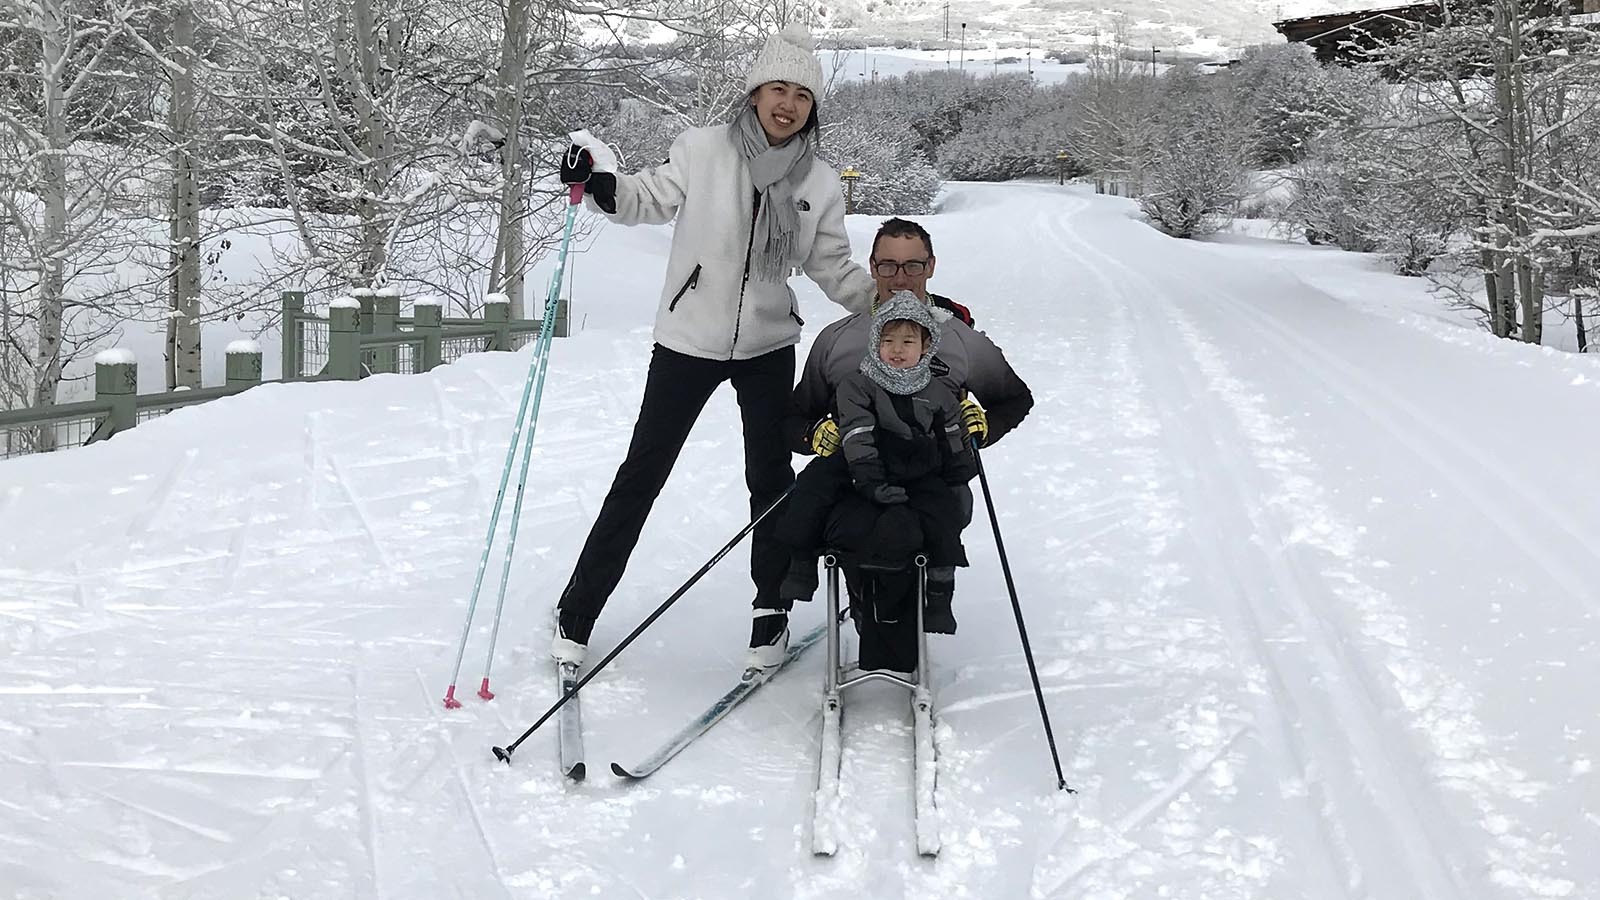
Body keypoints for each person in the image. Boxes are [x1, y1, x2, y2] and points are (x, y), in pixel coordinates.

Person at [548, 25, 877, 667]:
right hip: (687, 341)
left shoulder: (818, 182)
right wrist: (605, 185)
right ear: (755, 93)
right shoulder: (702, 149)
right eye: (777, 89)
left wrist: (888, 303)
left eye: (802, 95)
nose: (788, 104)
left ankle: (770, 612)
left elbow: (832, 264)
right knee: (642, 474)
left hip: (767, 345)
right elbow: (648, 198)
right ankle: (579, 608)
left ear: (812, 107)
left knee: (770, 480)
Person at [754, 217, 1034, 664]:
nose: (900, 278)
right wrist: (813, 434)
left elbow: (1015, 398)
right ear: (872, 267)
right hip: (854, 477)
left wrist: (983, 425)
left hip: (930, 477)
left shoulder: (958, 338)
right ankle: (856, 605)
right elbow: (792, 417)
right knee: (838, 519)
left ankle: (917, 605)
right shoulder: (839, 339)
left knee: (915, 527)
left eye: (913, 266)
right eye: (888, 266)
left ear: (931, 267)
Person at [768, 293, 976, 654]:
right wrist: (870, 480)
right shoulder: (858, 383)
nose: (897, 350)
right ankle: (800, 563)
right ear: (876, 341)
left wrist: (960, 465)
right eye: (888, 340)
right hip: (860, 459)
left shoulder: (937, 390)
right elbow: (858, 432)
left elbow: (951, 433)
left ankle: (940, 593)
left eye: (908, 342)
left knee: (943, 508)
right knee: (811, 486)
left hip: (915, 463)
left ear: (926, 346)